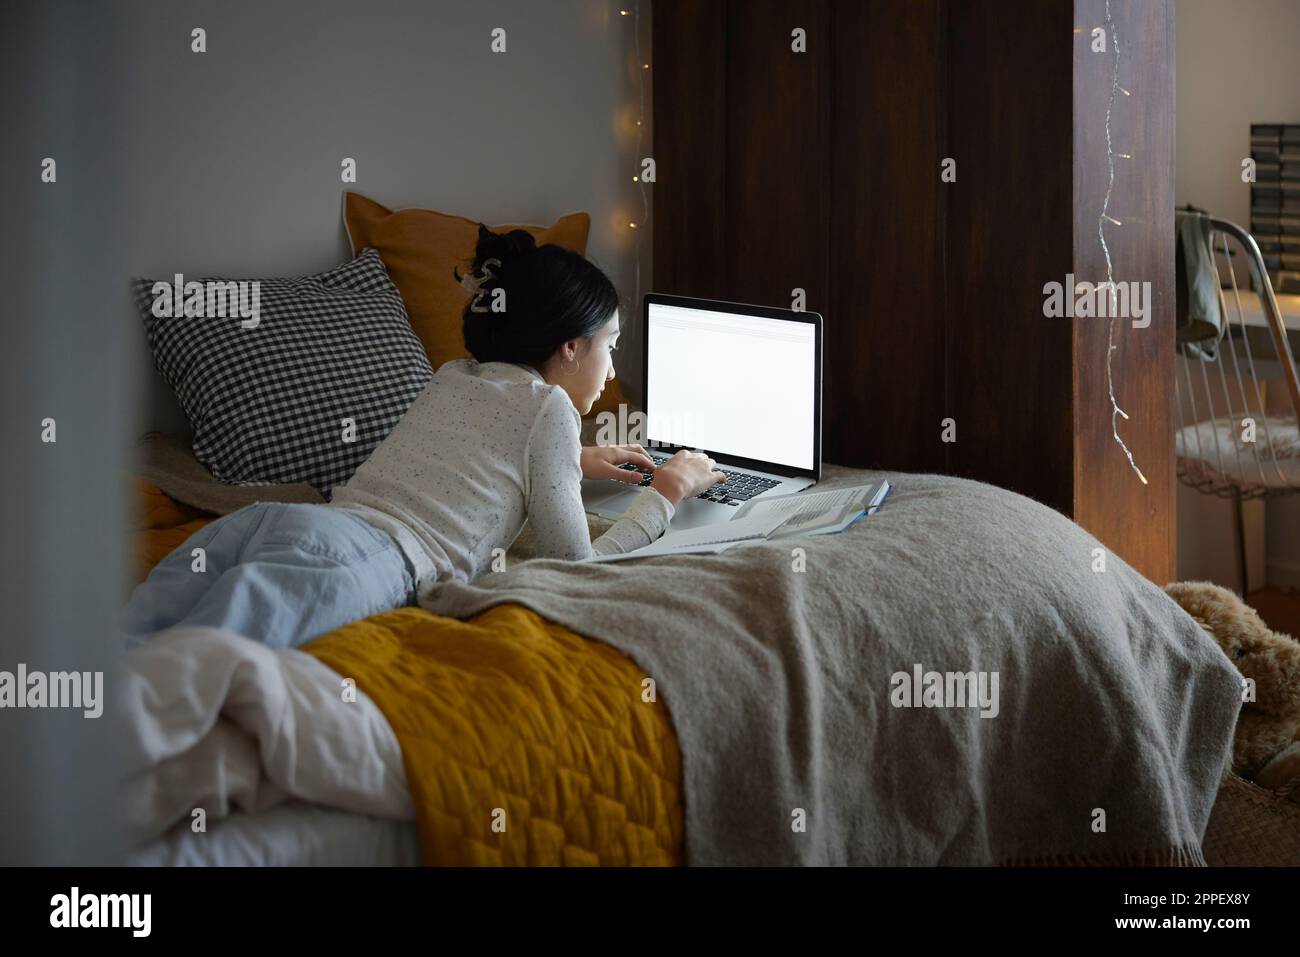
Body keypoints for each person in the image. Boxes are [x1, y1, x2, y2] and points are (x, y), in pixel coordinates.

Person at [123, 226, 725, 649]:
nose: (614, 369)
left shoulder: (456, 375)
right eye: (611, 345)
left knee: (128, 642)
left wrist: (574, 460)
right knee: (194, 674)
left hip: (277, 522)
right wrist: (665, 494)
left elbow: (471, 449)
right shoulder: (550, 410)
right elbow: (574, 567)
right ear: (570, 348)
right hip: (363, 559)